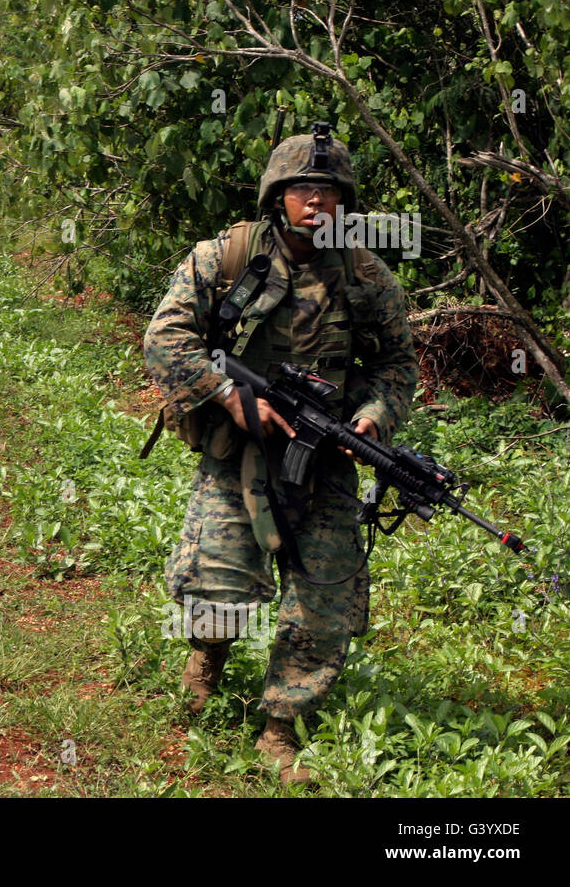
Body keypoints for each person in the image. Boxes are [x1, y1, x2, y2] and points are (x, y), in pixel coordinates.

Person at [142, 125, 418, 784]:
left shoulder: (363, 274)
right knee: (219, 579)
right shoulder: (227, 256)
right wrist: (230, 396)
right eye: (302, 189)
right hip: (239, 446)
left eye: (327, 190)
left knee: (324, 595)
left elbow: (397, 363)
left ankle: (280, 725)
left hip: (322, 456)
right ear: (278, 196)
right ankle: (207, 658)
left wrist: (373, 416)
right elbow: (165, 337)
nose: (315, 201)